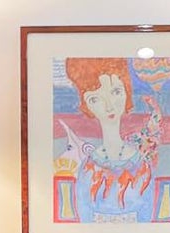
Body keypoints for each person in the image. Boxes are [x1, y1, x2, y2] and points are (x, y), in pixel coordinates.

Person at [60, 57, 162, 223]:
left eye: (115, 92)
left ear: (126, 93)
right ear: (87, 106)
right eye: (95, 99)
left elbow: (147, 216)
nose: (109, 106)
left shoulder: (142, 164)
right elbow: (83, 216)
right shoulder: (88, 167)